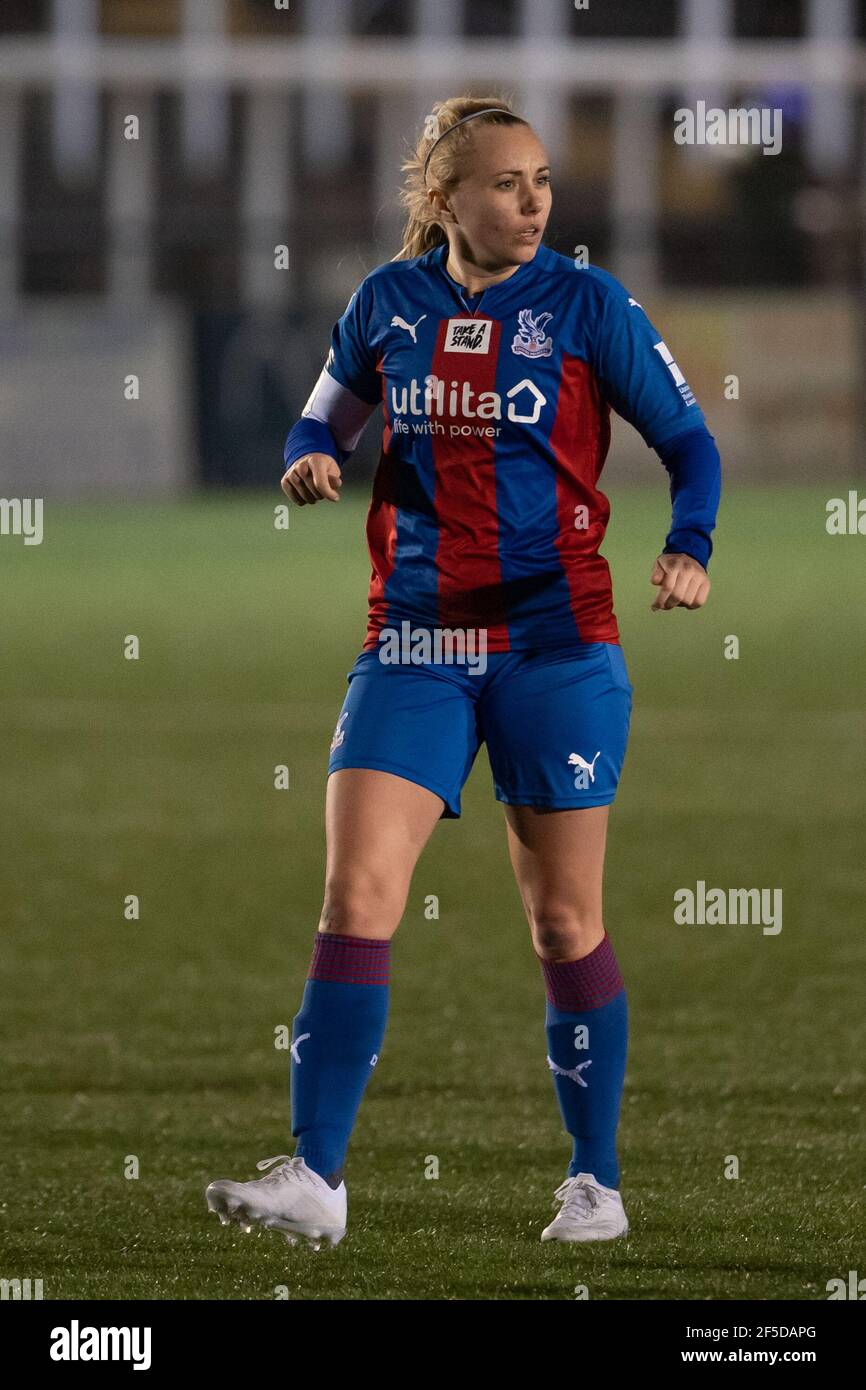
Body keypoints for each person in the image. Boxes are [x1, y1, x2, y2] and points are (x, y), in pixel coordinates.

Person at [204, 95, 721, 1250]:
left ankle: (594, 1184)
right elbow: (317, 423)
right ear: (444, 200)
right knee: (354, 896)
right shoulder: (384, 305)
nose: (533, 200)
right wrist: (306, 464)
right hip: (414, 643)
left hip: (557, 646)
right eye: (505, 183)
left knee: (561, 921)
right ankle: (317, 1179)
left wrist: (687, 544)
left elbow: (687, 443)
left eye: (540, 180)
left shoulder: (589, 307)